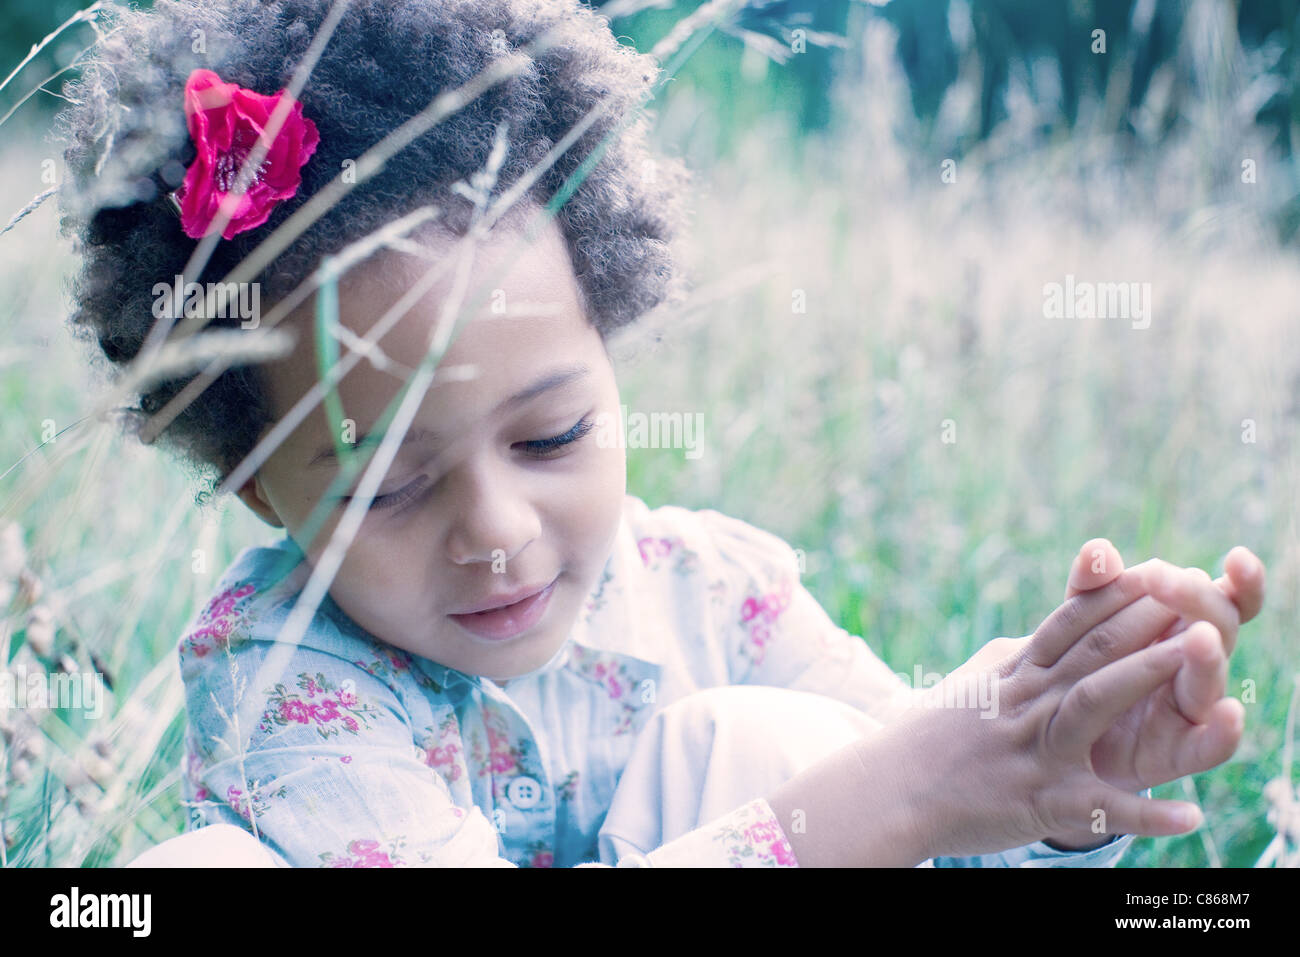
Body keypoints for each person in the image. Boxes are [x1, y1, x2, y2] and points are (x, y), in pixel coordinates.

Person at [54, 0, 1265, 868]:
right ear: (264, 487)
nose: (495, 530)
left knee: (773, 738)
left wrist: (1065, 751)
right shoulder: (282, 676)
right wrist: (887, 800)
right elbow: (894, 802)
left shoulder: (712, 592)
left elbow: (938, 800)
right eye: (389, 487)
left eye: (550, 436)